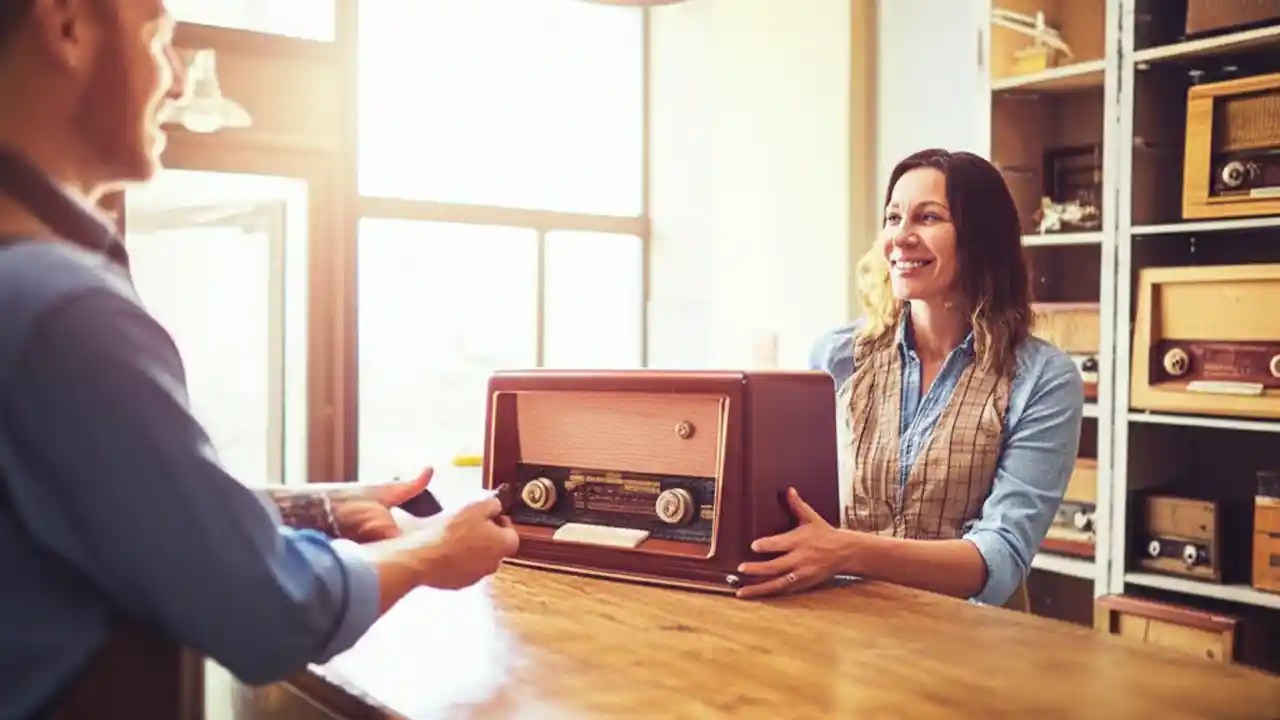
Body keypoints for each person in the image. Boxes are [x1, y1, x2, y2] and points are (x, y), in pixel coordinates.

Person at [0, 2, 518, 717]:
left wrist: (319, 508)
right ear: (67, 26)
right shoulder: (57, 308)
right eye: (158, 37)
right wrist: (430, 553)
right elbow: (264, 609)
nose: (177, 82)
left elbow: (102, 515)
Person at [737, 148, 1083, 607]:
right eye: (893, 217)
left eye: (928, 217)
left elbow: (1000, 560)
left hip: (968, 646)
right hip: (840, 626)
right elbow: (795, 505)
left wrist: (849, 551)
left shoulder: (1044, 380)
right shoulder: (837, 356)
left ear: (981, 238)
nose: (901, 237)